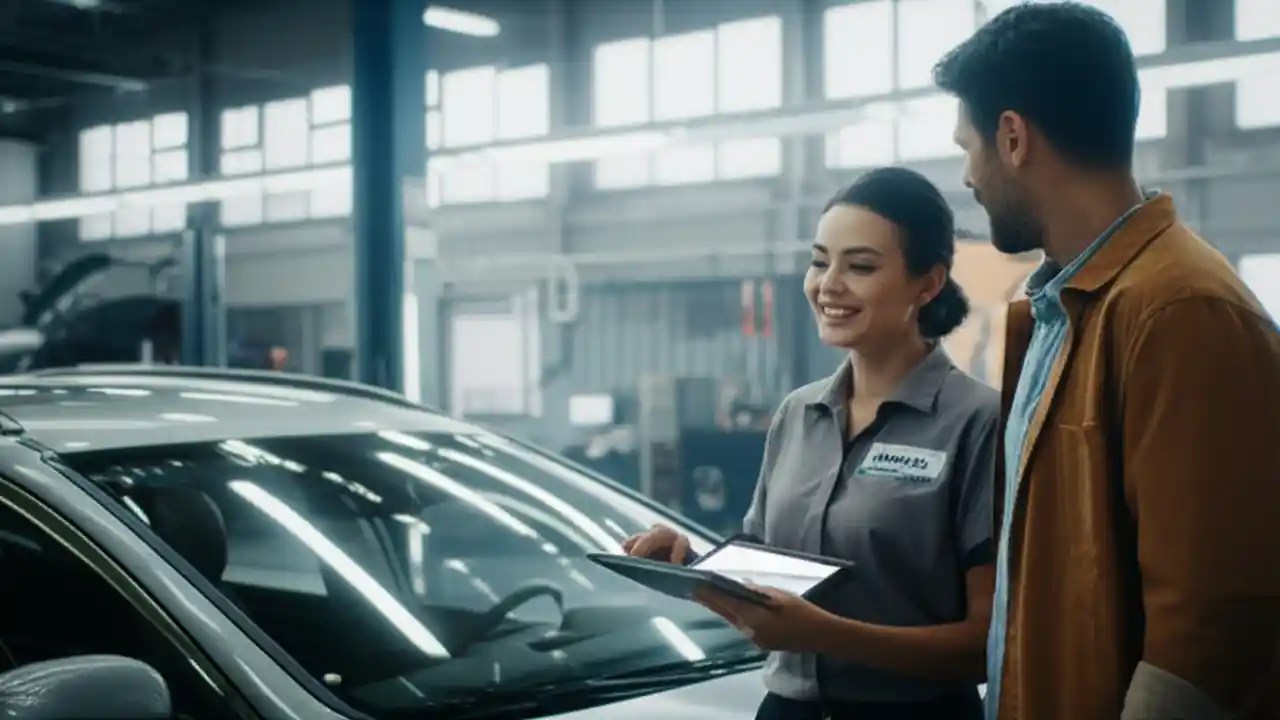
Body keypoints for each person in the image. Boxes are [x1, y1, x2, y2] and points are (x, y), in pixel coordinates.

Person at [933, 4, 1280, 719]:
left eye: (968, 147)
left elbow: (1209, 623)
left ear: (1013, 137)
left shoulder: (1179, 312)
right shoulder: (1061, 315)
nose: (967, 175)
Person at [625, 167, 998, 720]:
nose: (829, 285)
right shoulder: (798, 414)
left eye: (860, 266)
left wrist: (826, 634)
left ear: (928, 284)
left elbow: (986, 645)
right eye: (821, 261)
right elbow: (766, 580)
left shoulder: (979, 421)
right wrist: (693, 568)